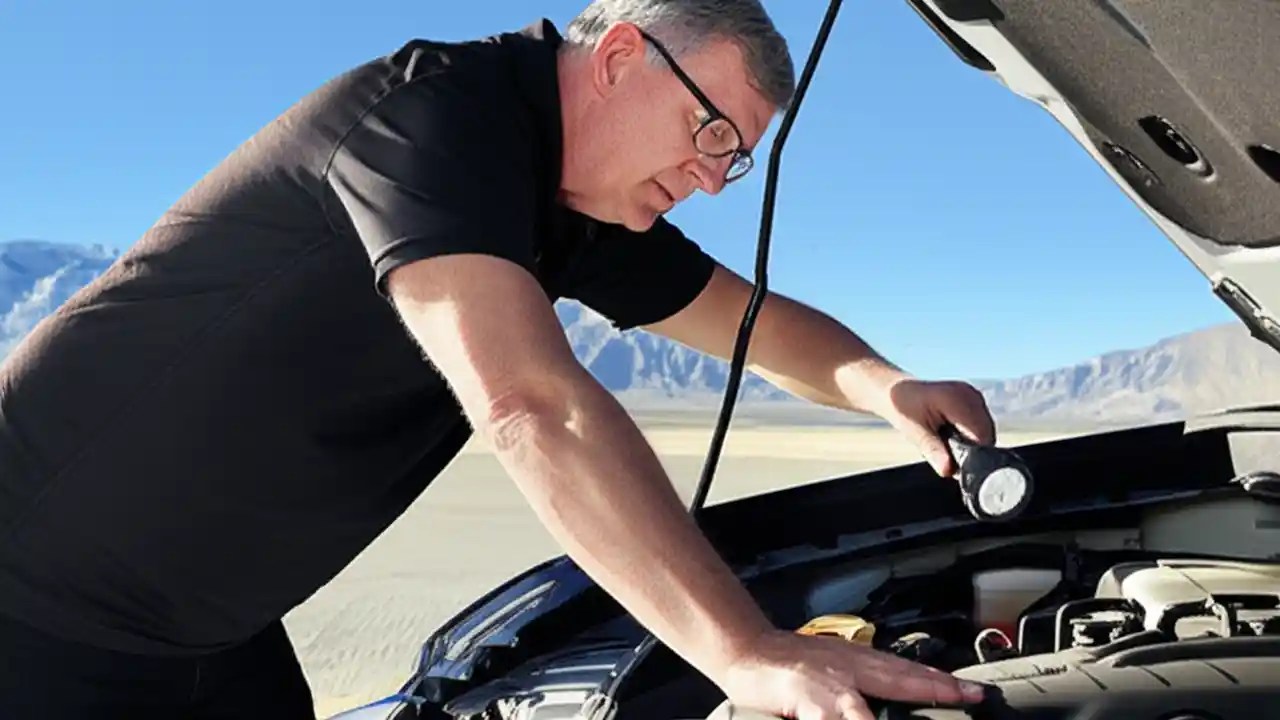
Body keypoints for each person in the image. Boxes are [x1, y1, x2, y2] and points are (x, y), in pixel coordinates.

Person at [0, 1, 995, 719]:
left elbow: (754, 325)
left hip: (209, 633)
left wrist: (887, 387)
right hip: (33, 608)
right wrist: (741, 653)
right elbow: (528, 406)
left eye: (733, 158)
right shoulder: (431, 119)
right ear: (617, 57)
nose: (712, 178)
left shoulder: (572, 205)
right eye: (710, 132)